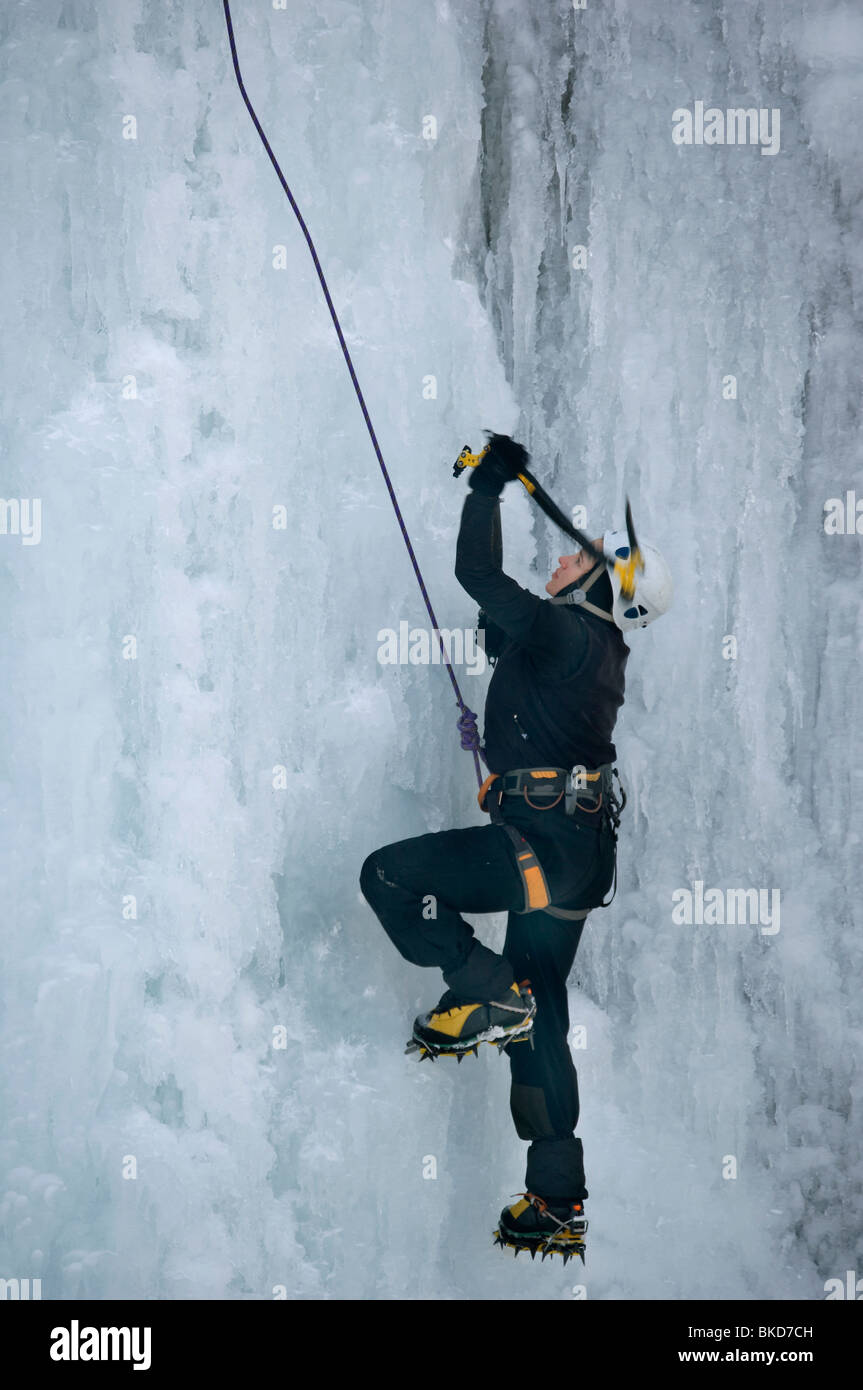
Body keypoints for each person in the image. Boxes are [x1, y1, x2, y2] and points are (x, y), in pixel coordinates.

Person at [360, 433, 672, 1261]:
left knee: (388, 875)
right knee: (543, 1003)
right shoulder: (591, 650)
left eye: (581, 559)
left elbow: (477, 579)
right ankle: (553, 1198)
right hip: (573, 850)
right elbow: (505, 633)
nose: (565, 561)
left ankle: (481, 986)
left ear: (603, 584)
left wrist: (486, 491)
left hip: (542, 837)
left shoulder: (574, 637)